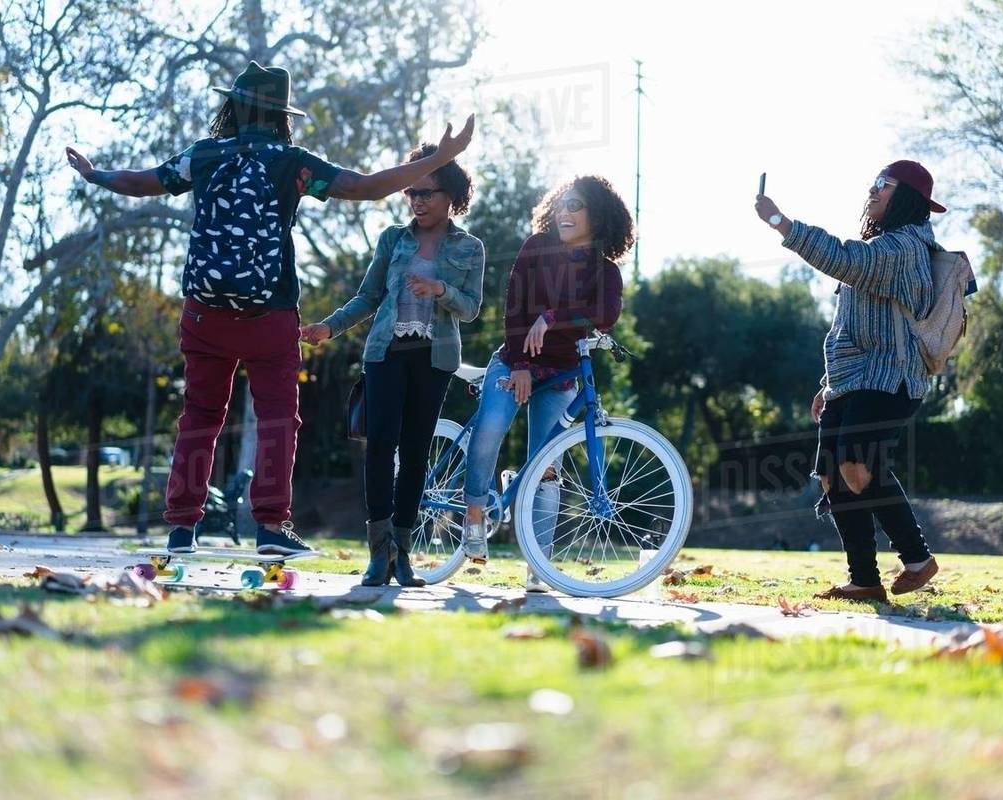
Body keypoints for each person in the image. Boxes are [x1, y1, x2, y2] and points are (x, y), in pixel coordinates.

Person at [66, 61, 474, 556]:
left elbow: (143, 182)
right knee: (279, 416)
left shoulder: (205, 155)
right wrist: (443, 156)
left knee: (199, 415)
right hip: (270, 313)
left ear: (233, 106)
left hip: (204, 310)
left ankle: (181, 528)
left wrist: (95, 175)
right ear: (281, 115)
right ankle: (270, 529)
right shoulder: (292, 163)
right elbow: (364, 187)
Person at [755, 160, 945, 603]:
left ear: (907, 198)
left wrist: (781, 223)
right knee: (831, 478)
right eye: (874, 183)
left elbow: (840, 257)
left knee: (858, 468)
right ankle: (864, 580)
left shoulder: (903, 248)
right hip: (851, 379)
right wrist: (827, 384)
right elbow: (849, 328)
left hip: (890, 377)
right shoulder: (879, 245)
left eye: (884, 184)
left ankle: (917, 558)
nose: (873, 190)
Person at [299, 144, 484, 588]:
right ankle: (377, 557)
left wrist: (440, 289)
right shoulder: (392, 240)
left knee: (417, 454)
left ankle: (404, 556)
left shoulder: (469, 247)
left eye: (427, 193)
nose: (418, 201)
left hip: (435, 360)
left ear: (451, 195)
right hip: (385, 355)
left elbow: (473, 307)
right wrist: (330, 327)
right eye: (411, 193)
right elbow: (368, 297)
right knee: (380, 446)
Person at [460, 175, 634, 592]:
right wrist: (519, 363)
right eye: (562, 204)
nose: (565, 212)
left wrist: (554, 316)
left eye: (576, 206)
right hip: (514, 362)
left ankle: (539, 564)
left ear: (599, 215)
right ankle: (474, 517)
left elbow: (605, 314)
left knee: (549, 466)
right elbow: (515, 309)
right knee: (491, 427)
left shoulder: (605, 272)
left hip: (561, 374)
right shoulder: (535, 248)